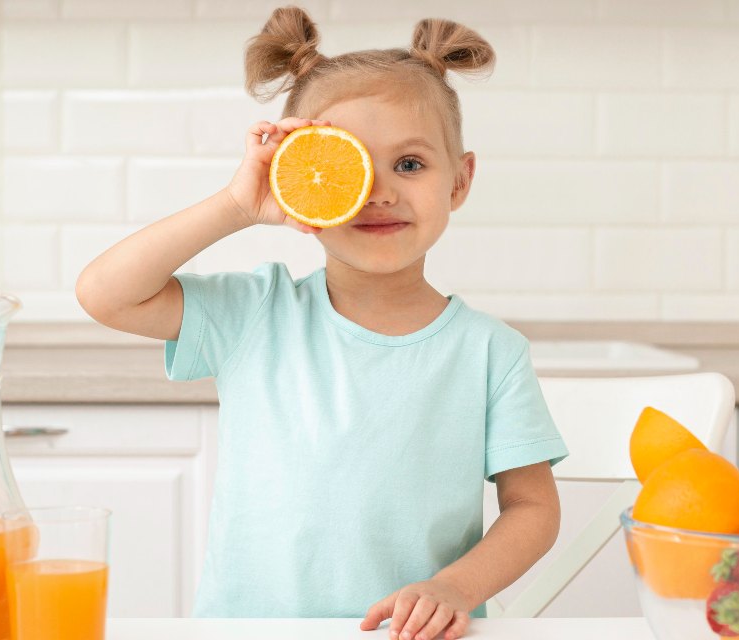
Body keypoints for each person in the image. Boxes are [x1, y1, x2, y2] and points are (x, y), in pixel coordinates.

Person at [76, 6, 568, 640]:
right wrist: (236, 206)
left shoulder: (490, 351)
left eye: (409, 164)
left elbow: (533, 509)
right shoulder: (255, 313)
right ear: (300, 181)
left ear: (460, 180)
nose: (379, 192)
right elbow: (105, 295)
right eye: (348, 165)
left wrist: (456, 588)